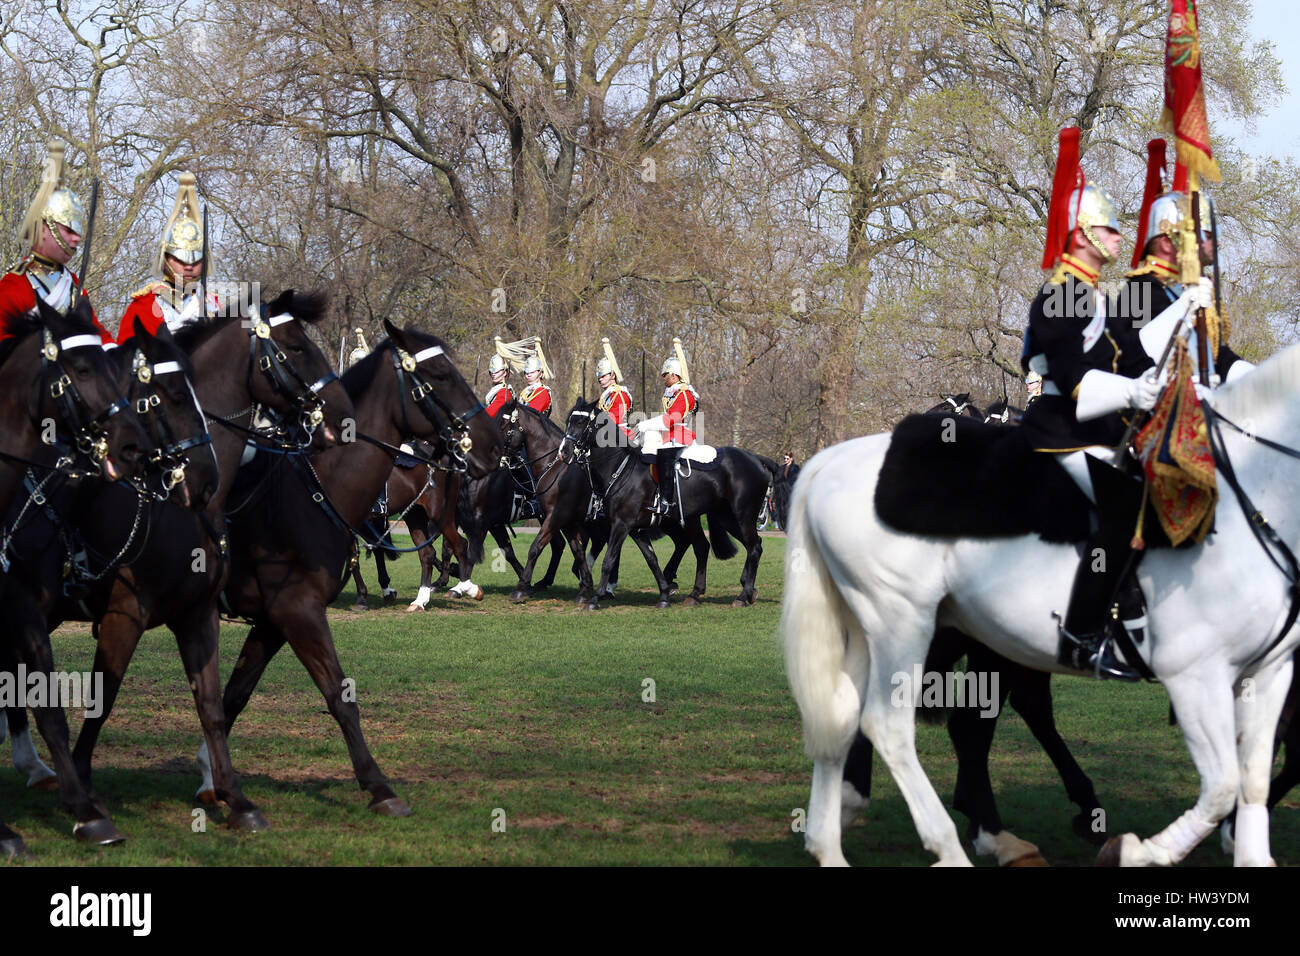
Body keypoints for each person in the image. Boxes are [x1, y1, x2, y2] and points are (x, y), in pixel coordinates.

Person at [1020, 127, 1160, 682]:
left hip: (1094, 426)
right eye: (1106, 226)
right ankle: (1081, 636)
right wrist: (1131, 391)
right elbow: (1076, 377)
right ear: (1081, 232)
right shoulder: (1061, 292)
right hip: (1058, 428)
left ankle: (1136, 621)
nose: (1117, 235)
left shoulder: (1095, 295)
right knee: (1124, 505)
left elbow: (1121, 361)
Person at [1125, 141, 1253, 383]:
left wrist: (1254, 377)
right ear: (1165, 242)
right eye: (1199, 234)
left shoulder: (1187, 286)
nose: (1209, 242)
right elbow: (1137, 360)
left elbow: (1215, 355)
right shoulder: (1139, 289)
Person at [0, 139, 114, 345]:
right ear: (44, 228)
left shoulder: (75, 287)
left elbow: (100, 339)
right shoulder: (15, 285)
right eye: (69, 230)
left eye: (78, 231)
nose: (77, 238)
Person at [117, 172, 219, 343]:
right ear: (166, 259)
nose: (189, 267)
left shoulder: (213, 305)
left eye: (195, 261)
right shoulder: (144, 305)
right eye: (181, 260)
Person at [636, 347, 699, 519]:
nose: (663, 377)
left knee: (665, 458)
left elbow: (673, 419)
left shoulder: (685, 394)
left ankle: (666, 502)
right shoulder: (672, 392)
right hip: (667, 435)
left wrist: (647, 424)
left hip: (679, 436)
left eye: (665, 374)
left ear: (674, 375)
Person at [772, 452, 800, 529]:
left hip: (792, 491)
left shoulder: (796, 468)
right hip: (783, 493)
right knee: (783, 509)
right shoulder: (781, 468)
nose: (785, 460)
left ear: (791, 458)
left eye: (787, 458)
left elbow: (797, 479)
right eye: (784, 458)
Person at [484, 353, 514, 418]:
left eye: (496, 371)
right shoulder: (497, 390)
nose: (493, 374)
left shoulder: (504, 392)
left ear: (505, 373)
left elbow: (489, 414)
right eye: (491, 372)